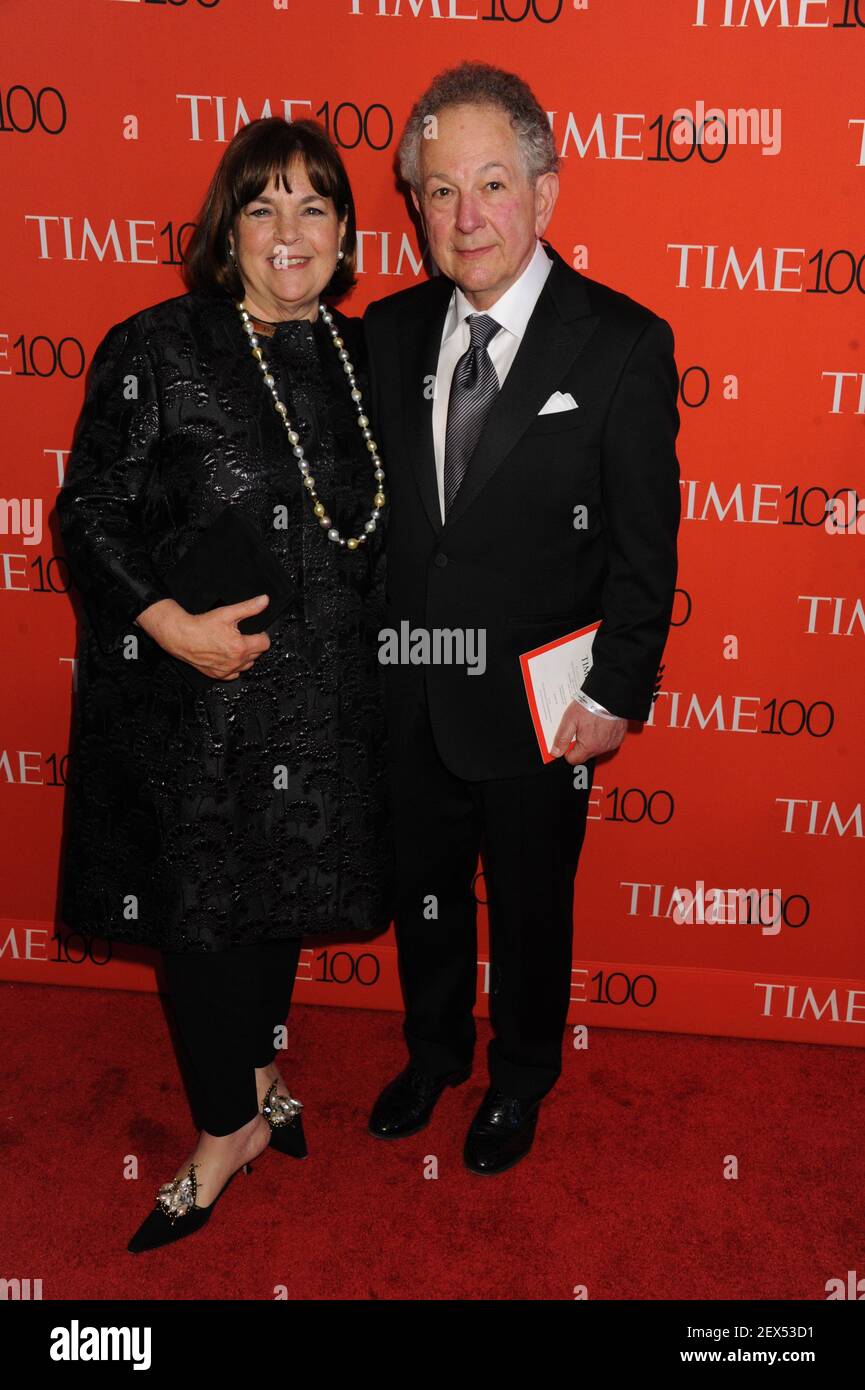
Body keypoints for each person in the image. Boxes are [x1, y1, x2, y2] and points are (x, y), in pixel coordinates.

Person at [56, 116, 391, 1252]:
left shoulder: (360, 355)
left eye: (314, 206)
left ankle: (262, 1075)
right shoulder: (158, 345)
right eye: (262, 206)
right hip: (194, 704)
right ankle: (222, 1133)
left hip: (321, 704)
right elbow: (88, 514)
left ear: (345, 232)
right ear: (227, 229)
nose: (289, 231)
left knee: (280, 900)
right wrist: (166, 625)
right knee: (203, 925)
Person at [363, 62, 680, 1175]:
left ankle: (520, 1076)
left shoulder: (622, 344)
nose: (466, 217)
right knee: (427, 893)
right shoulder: (386, 334)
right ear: (414, 204)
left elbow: (647, 551)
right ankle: (436, 1050)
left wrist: (615, 692)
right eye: (440, 191)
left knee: (534, 906)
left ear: (545, 191)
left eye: (492, 184)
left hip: (543, 701)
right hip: (411, 679)